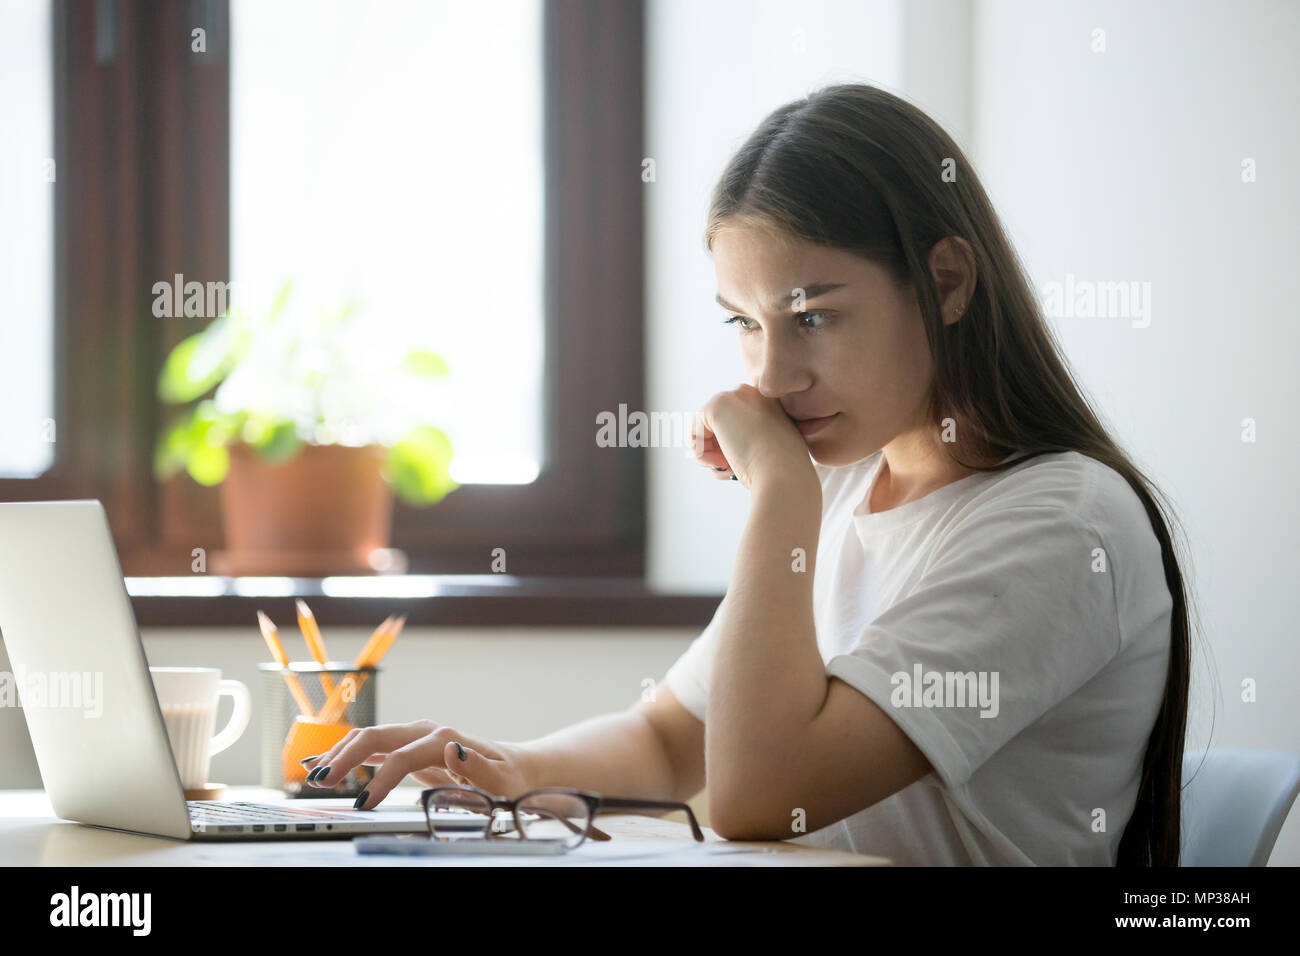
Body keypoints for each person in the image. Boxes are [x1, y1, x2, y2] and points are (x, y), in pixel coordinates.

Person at [301, 83, 1193, 866]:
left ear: (947, 281)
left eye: (812, 317)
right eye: (745, 322)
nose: (771, 378)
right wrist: (507, 768)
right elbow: (669, 740)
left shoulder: (1063, 524)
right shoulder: (848, 481)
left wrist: (779, 492)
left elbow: (761, 792)